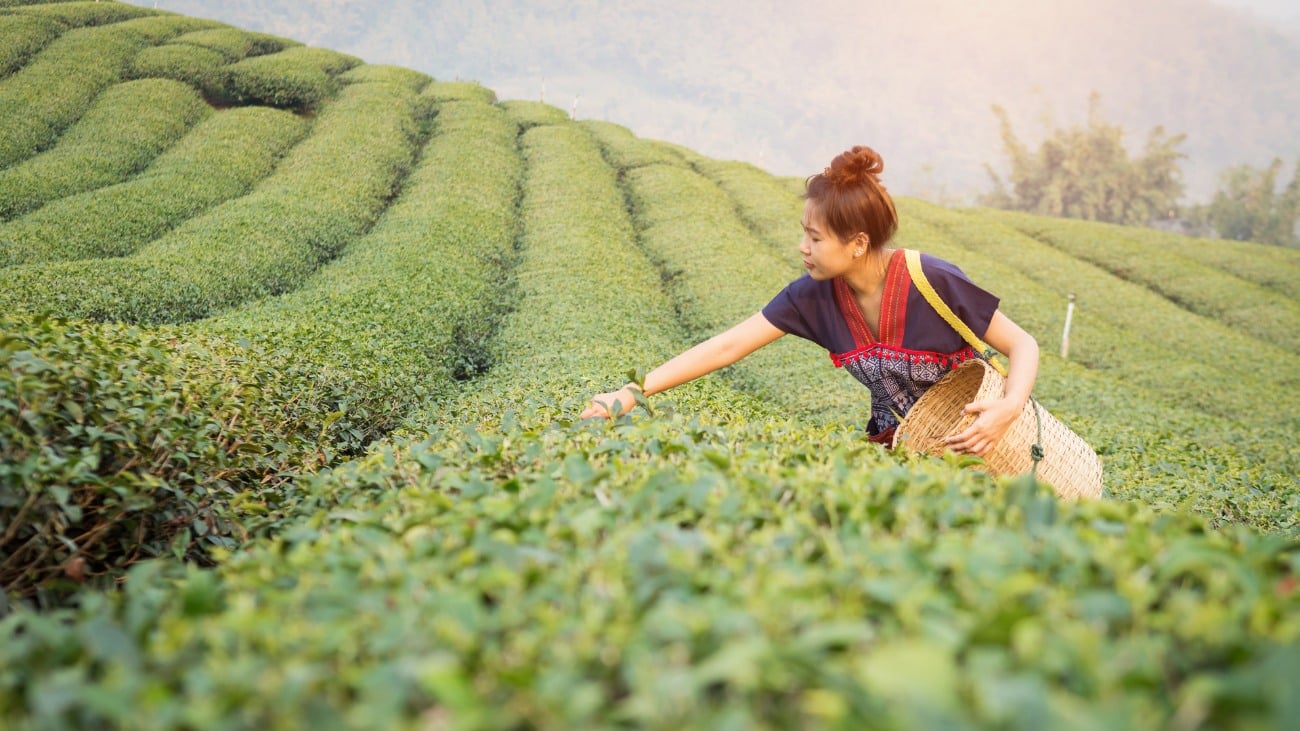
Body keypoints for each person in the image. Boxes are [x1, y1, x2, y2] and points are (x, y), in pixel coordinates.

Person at [581, 145, 1039, 457]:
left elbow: (1022, 345)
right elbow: (726, 347)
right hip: (902, 446)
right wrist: (629, 394)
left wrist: (1010, 406)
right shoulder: (813, 297)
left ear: (857, 243)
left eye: (815, 237)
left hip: (988, 438)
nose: (803, 246)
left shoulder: (931, 279)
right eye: (804, 231)